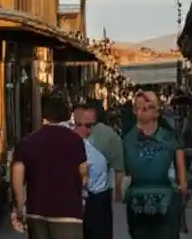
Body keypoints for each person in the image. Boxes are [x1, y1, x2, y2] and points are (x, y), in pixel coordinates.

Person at [11, 93, 88, 239]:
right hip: (68, 211)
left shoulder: (28, 141)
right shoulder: (75, 141)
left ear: (44, 112)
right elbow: (84, 173)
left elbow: (17, 176)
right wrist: (81, 196)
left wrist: (20, 208)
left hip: (37, 211)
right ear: (67, 113)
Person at [122, 91, 187, 239]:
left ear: (157, 111)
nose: (143, 109)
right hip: (137, 204)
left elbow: (181, 165)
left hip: (167, 202)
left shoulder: (170, 138)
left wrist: (182, 187)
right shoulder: (128, 139)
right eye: (139, 107)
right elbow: (124, 170)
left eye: (148, 106)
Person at [69, 105, 113, 239]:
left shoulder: (99, 142)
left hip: (99, 201)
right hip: (82, 201)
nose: (90, 130)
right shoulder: (70, 144)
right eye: (87, 126)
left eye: (93, 125)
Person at [85, 102, 125, 202]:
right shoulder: (110, 134)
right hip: (103, 190)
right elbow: (118, 167)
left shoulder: (78, 131)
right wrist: (118, 191)